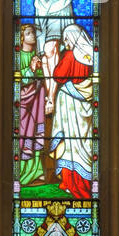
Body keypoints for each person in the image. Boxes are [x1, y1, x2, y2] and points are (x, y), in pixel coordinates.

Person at [49, 24, 94, 198]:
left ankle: (70, 181)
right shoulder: (92, 55)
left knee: (69, 143)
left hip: (69, 102)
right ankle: (80, 182)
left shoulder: (70, 55)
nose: (65, 42)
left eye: (66, 38)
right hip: (86, 103)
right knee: (83, 142)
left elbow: (58, 75)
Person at [18, 25, 46, 185]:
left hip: (36, 100)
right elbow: (17, 78)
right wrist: (30, 69)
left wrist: (38, 69)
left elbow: (41, 78)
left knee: (35, 133)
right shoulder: (17, 55)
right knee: (23, 134)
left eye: (34, 33)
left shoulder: (36, 55)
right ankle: (22, 171)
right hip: (21, 101)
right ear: (22, 38)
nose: (32, 36)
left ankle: (37, 171)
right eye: (28, 33)